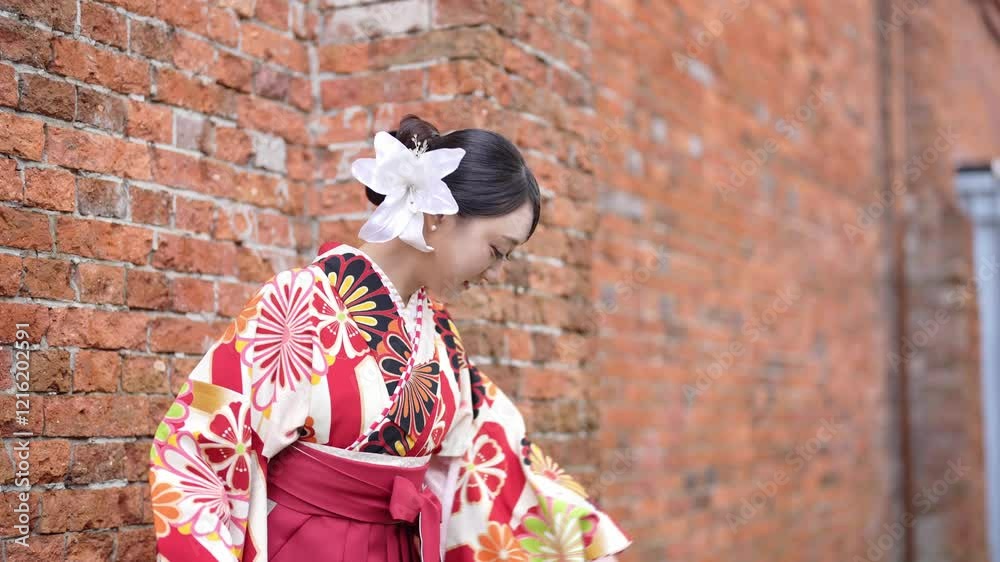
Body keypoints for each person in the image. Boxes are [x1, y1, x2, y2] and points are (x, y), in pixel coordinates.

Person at [148, 114, 632, 561]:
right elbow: (199, 449)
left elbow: (488, 448)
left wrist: (577, 540)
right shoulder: (299, 302)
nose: (496, 273)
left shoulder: (438, 334)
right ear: (441, 214)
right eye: (496, 250)